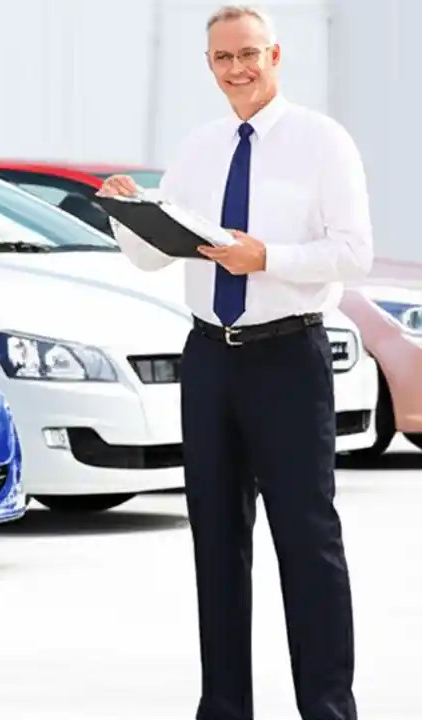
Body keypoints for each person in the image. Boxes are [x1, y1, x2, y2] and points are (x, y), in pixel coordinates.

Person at [97, 5, 371, 720]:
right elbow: (156, 256)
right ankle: (223, 708)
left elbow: (353, 252)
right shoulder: (199, 148)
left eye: (249, 53)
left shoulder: (322, 141)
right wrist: (128, 215)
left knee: (307, 542)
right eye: (224, 58)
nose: (238, 69)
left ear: (275, 56)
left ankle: (329, 710)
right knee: (216, 543)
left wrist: (266, 257)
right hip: (209, 360)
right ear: (210, 66)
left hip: (288, 357)